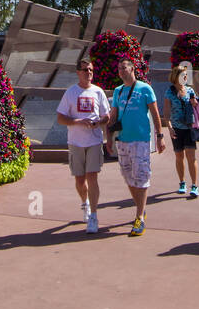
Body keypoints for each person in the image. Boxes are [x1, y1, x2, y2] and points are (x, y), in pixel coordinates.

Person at [106, 58, 167, 237]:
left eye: (124, 67)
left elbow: (155, 113)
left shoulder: (145, 88)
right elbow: (113, 116)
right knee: (128, 176)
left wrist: (160, 136)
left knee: (140, 176)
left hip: (141, 140)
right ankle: (142, 207)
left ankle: (139, 216)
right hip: (123, 140)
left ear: (132, 69)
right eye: (119, 68)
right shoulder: (118, 91)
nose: (121, 71)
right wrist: (108, 138)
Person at [56, 58, 111, 233]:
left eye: (91, 70)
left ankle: (93, 217)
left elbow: (107, 116)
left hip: (94, 141)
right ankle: (84, 203)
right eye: (85, 70)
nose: (89, 73)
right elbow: (60, 117)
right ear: (78, 72)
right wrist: (78, 121)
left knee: (92, 177)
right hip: (75, 142)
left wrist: (98, 122)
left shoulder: (98, 92)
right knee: (80, 180)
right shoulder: (71, 92)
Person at [164, 65, 199, 198]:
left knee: (191, 157)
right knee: (179, 156)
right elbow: (167, 114)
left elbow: (197, 107)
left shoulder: (190, 90)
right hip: (176, 129)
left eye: (186, 75)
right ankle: (182, 182)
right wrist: (169, 128)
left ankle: (195, 185)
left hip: (189, 128)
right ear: (176, 76)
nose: (185, 77)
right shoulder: (169, 92)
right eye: (183, 75)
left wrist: (194, 103)